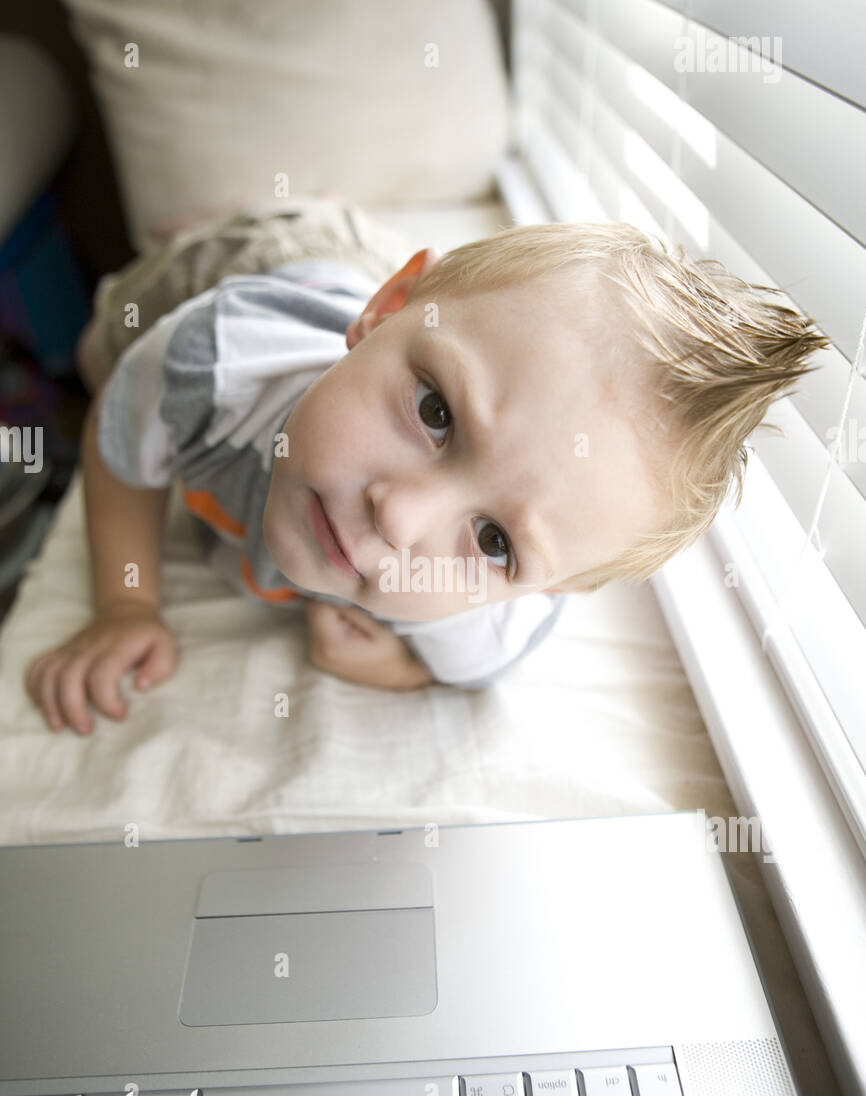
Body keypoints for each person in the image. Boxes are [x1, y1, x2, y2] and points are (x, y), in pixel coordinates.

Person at [24, 198, 828, 734]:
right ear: (386, 312)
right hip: (274, 262)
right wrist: (124, 604)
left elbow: (465, 664)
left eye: (493, 542)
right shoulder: (217, 362)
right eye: (437, 412)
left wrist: (400, 670)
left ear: (546, 590)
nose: (400, 519)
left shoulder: (477, 631)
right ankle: (226, 223)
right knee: (107, 351)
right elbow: (121, 443)